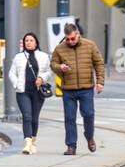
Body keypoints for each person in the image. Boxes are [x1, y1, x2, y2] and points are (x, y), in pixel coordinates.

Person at [51, 22, 106, 155]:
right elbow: (53, 64)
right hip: (68, 89)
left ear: (78, 34)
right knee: (69, 118)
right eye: (67, 39)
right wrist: (60, 68)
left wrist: (100, 82)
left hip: (86, 87)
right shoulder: (59, 48)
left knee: (88, 114)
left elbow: (99, 63)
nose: (70, 41)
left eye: (72, 38)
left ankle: (89, 137)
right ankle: (71, 146)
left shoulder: (90, 45)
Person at [9, 32, 53, 156]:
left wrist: (42, 78)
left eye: (31, 40)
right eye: (26, 40)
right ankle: (27, 143)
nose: (28, 42)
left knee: (34, 118)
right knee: (27, 116)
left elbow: (50, 71)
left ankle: (33, 141)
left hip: (38, 92)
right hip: (23, 92)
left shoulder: (44, 56)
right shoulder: (18, 57)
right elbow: (11, 73)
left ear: (36, 42)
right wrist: (16, 84)